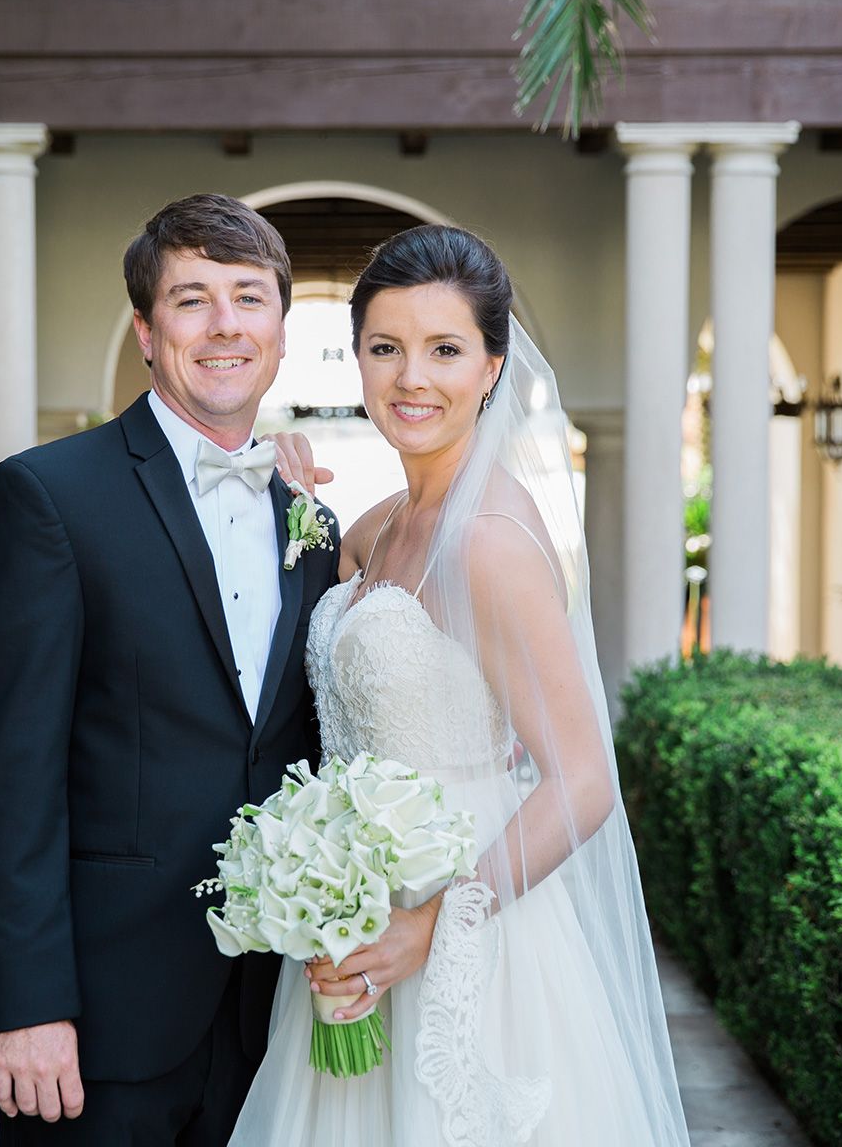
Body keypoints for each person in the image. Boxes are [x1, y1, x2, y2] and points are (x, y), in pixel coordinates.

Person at [230, 225, 692, 1146]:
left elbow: (584, 780)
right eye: (385, 349)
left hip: (477, 925)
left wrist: (434, 925)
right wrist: (278, 486)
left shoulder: (488, 541)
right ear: (356, 359)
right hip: (356, 916)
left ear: (491, 367)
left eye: (446, 350)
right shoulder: (384, 522)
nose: (412, 379)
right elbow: (309, 580)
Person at [0, 193, 340, 1146]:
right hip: (97, 1022)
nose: (224, 325)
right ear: (147, 332)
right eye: (192, 299)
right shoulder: (48, 494)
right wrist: (25, 1004)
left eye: (249, 298)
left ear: (281, 330)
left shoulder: (314, 524)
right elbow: (2, 770)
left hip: (275, 1014)